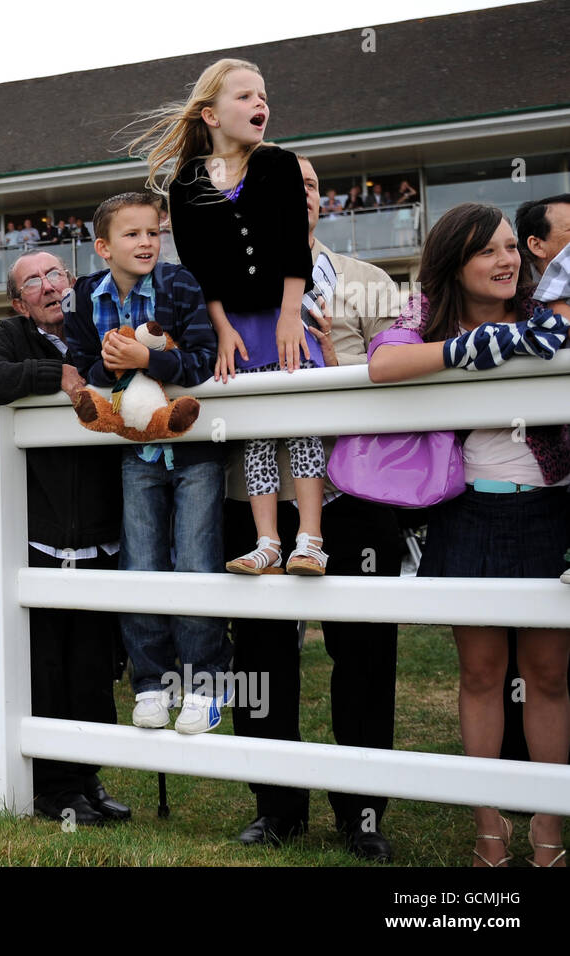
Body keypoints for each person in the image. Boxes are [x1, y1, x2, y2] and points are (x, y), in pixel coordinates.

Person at [368, 203, 569, 867]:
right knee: (481, 675)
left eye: (513, 247)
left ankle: (548, 827)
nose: (508, 260)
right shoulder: (426, 318)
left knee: (546, 677)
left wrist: (519, 338)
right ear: (457, 260)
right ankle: (490, 827)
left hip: (549, 513)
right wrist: (471, 348)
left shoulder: (547, 317)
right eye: (490, 251)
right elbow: (382, 368)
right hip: (469, 513)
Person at [222, 156, 403, 860]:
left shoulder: (371, 282)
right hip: (256, 499)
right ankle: (276, 807)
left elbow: (403, 382)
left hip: (354, 496)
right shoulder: (227, 284)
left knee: (363, 657)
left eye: (307, 187)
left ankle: (363, 811)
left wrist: (333, 360)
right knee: (262, 659)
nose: (295, 197)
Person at [0, 250, 130, 825]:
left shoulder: (97, 324)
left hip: (104, 532)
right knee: (48, 668)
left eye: (55, 274)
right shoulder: (12, 336)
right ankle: (55, 789)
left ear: (72, 282)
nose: (48, 285)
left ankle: (88, 778)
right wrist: (49, 375)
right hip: (43, 536)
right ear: (17, 302)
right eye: (32, 281)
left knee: (93, 667)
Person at [140, 57, 329, 576]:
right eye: (245, 96)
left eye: (263, 95)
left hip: (283, 318)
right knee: (257, 431)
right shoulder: (185, 184)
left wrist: (291, 316)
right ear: (211, 115)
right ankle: (268, 540)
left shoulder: (279, 164)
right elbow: (201, 266)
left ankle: (310, 537)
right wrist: (220, 327)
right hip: (236, 328)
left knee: (302, 425)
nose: (259, 103)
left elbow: (294, 244)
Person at [63, 192, 228, 734]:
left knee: (197, 564)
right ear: (103, 247)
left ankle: (204, 684)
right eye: (132, 235)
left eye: (154, 232)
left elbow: (202, 359)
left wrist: (147, 358)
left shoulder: (181, 283)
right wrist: (113, 368)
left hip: (195, 450)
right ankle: (151, 682)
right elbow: (80, 359)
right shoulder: (87, 294)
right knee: (140, 564)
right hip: (136, 451)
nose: (146, 243)